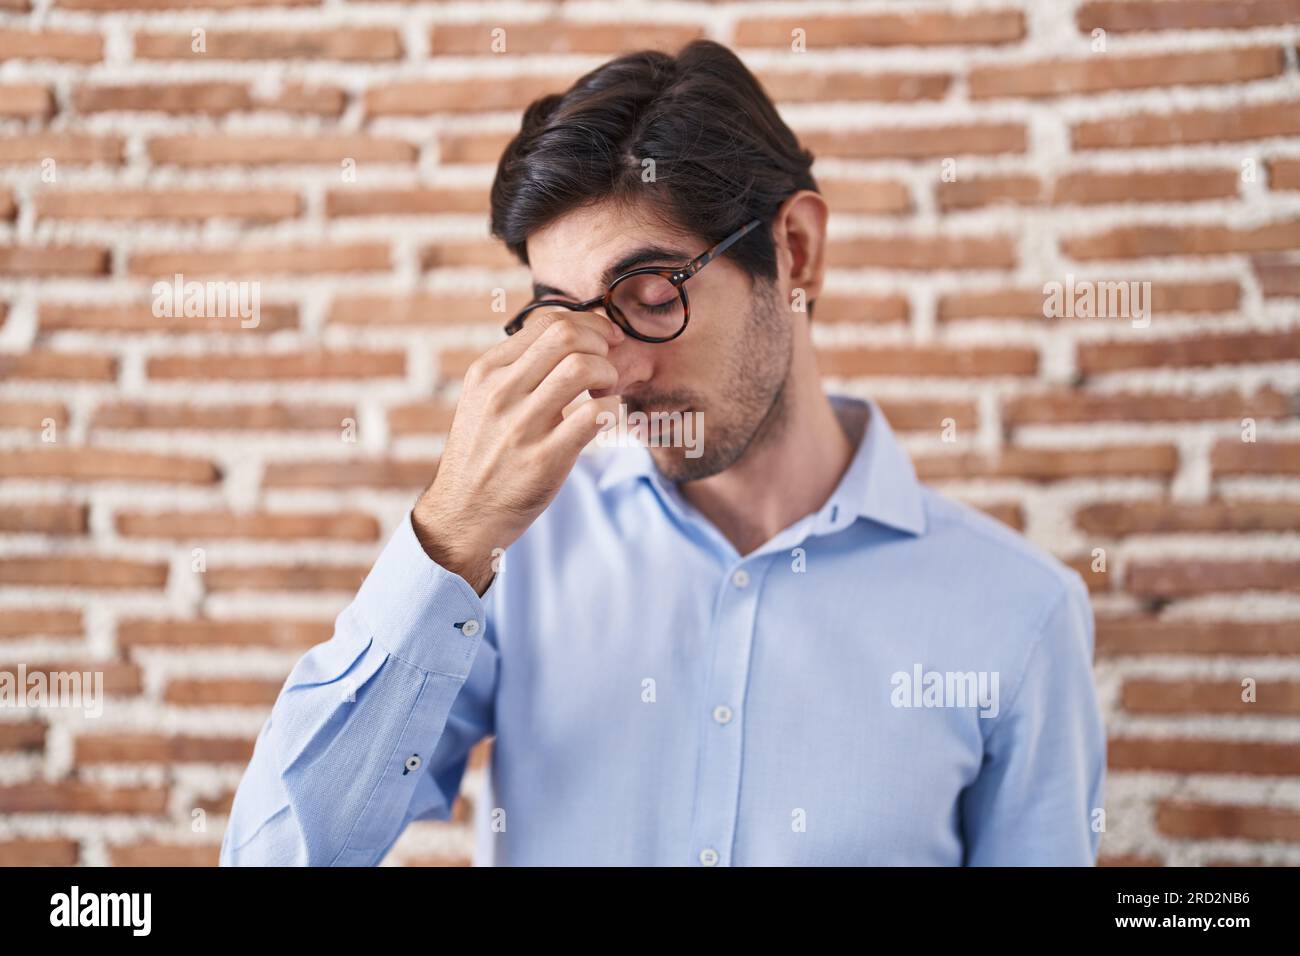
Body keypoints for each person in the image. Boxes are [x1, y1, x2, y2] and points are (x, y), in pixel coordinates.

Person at [220, 39, 1105, 867]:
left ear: (794, 253)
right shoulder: (512, 560)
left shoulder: (1017, 615)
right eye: (567, 317)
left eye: (649, 294)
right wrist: (453, 530)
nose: (615, 371)